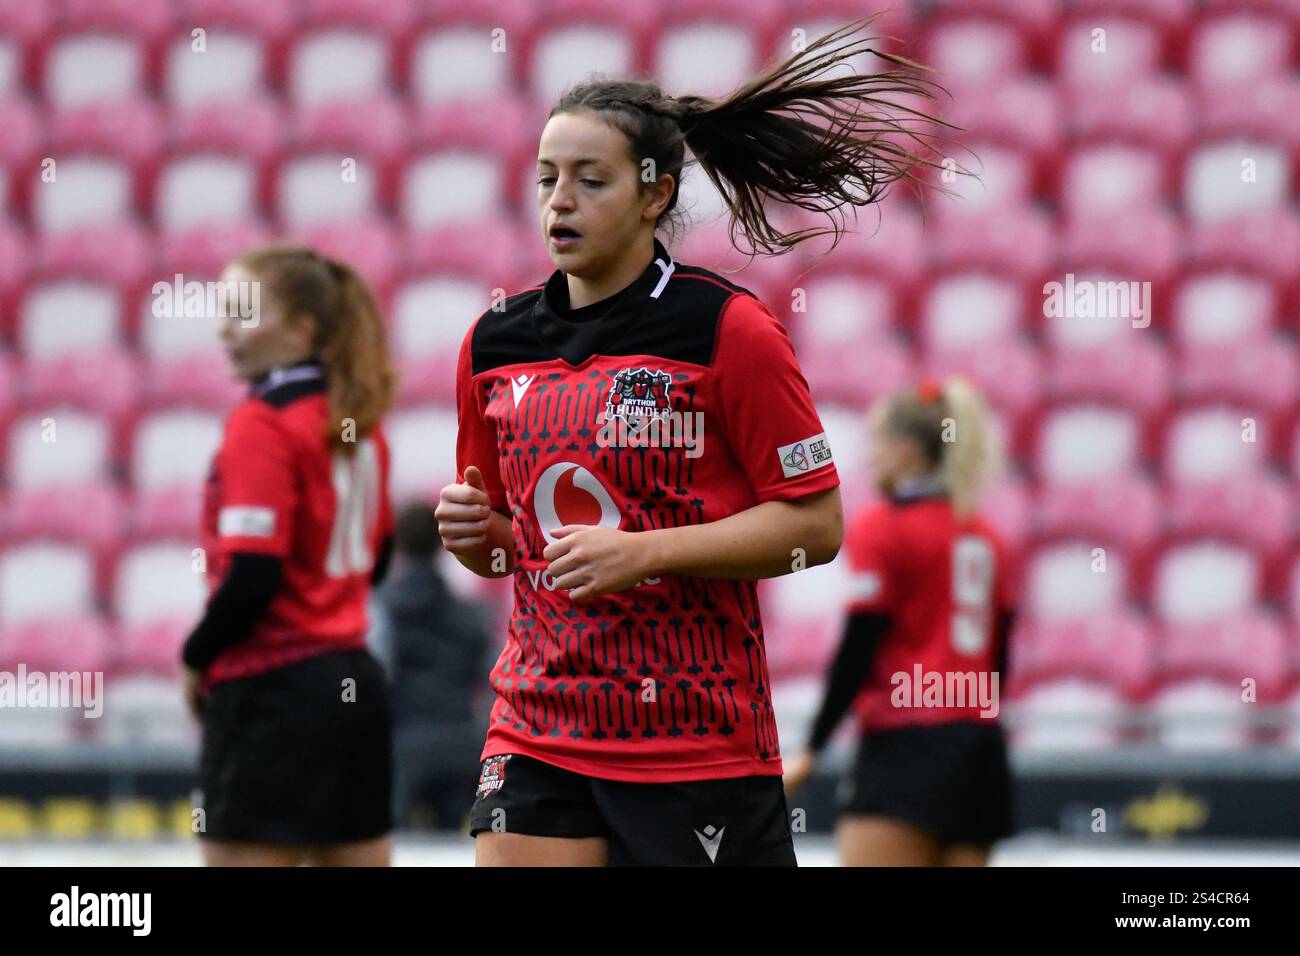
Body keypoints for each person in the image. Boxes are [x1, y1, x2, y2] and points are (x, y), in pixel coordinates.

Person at [436, 19, 957, 866]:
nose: (559, 201)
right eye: (545, 178)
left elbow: (815, 528)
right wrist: (476, 538)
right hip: (537, 727)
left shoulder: (728, 329)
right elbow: (512, 551)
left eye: (589, 180)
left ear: (655, 195)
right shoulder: (493, 343)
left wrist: (645, 554)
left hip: (694, 743)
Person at [181, 244, 398, 867]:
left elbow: (254, 575)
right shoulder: (361, 421)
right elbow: (376, 561)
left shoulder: (262, 423)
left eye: (243, 312)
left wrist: (196, 657)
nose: (224, 327)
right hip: (355, 685)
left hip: (272, 694)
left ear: (301, 329)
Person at [784, 377, 1017, 867]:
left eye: (878, 442)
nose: (869, 457)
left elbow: (859, 646)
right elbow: (1000, 658)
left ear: (908, 449)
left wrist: (813, 745)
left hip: (906, 748)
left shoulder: (882, 527)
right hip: (979, 753)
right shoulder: (989, 536)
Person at [369, 502, 494, 831]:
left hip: (404, 750)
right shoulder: (469, 612)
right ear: (440, 545)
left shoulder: (381, 608)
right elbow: (491, 679)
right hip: (463, 745)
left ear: (399, 544)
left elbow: (375, 679)